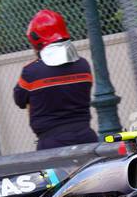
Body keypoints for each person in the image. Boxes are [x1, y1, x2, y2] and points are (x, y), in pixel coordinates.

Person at [13, 9, 96, 149]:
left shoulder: (31, 72)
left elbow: (19, 100)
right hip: (87, 138)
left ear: (36, 40)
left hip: (52, 144)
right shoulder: (83, 65)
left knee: (49, 172)